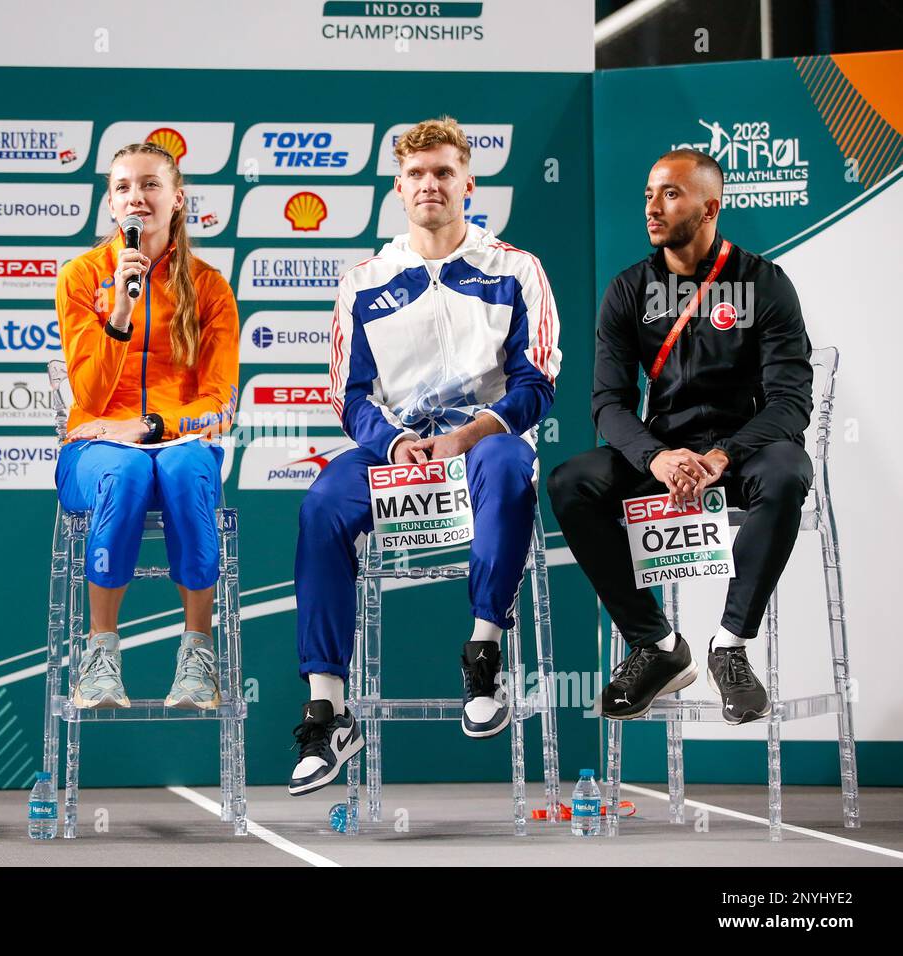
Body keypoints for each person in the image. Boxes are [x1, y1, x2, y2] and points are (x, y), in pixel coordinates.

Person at [288, 117, 562, 795]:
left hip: (479, 445)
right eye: (416, 175)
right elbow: (349, 396)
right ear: (399, 188)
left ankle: (482, 655)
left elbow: (538, 381)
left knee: (506, 466)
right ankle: (327, 710)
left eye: (443, 172)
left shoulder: (516, 269)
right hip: (399, 452)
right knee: (322, 504)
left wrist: (467, 436)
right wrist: (395, 443)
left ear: (468, 182)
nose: (430, 185)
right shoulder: (364, 281)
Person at [547, 148, 814, 725]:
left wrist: (725, 454)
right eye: (649, 193)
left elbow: (792, 403)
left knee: (788, 471)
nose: (653, 206)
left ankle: (730, 645)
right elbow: (608, 403)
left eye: (670, 193)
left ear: (710, 207)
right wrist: (658, 456)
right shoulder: (628, 291)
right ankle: (659, 646)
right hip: (664, 452)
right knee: (572, 482)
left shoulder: (765, 284)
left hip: (743, 454)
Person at [55, 141, 239, 710]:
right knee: (126, 471)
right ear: (111, 205)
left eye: (151, 185)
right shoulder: (82, 277)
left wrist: (152, 424)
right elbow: (87, 395)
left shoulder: (209, 288)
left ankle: (197, 654)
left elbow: (219, 403)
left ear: (177, 199)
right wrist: (120, 312)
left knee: (183, 468)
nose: (138, 197)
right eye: (124, 187)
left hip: (182, 441)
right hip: (95, 448)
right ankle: (100, 653)